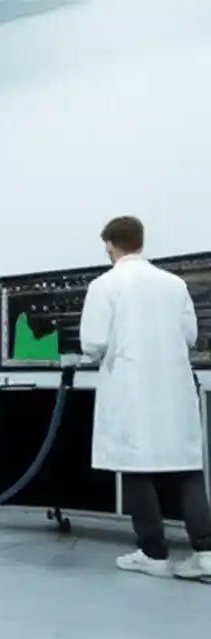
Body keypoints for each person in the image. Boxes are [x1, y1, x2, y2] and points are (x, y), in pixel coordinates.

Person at [79, 215, 211, 579]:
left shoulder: (105, 285)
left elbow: (93, 344)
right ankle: (206, 553)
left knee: (136, 469)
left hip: (131, 390)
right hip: (174, 390)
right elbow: (189, 336)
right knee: (186, 469)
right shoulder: (174, 284)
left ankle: (153, 554)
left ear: (109, 244)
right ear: (141, 241)